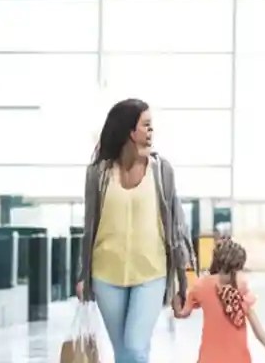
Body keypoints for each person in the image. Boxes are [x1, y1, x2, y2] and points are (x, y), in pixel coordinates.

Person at [76, 98, 197, 363]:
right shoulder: (98, 174)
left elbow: (177, 225)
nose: (151, 131)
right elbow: (90, 227)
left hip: (151, 273)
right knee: (126, 352)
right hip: (106, 275)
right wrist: (83, 274)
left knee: (133, 345)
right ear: (130, 131)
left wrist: (184, 277)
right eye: (146, 125)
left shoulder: (161, 170)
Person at [174, 237, 265, 363]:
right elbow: (257, 329)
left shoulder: (200, 286)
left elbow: (182, 313)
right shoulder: (240, 286)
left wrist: (176, 300)